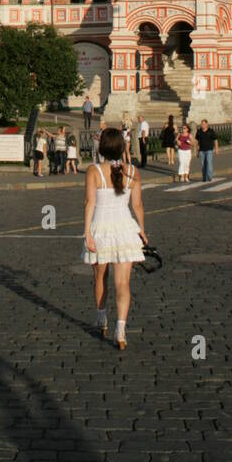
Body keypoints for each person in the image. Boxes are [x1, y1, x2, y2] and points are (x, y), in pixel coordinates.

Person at [82, 127, 147, 351]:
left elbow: (89, 203)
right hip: (125, 229)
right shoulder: (133, 171)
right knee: (123, 283)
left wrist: (87, 233)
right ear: (122, 147)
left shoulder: (94, 171)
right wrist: (142, 230)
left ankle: (102, 317)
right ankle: (121, 328)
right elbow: (137, 205)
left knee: (100, 276)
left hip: (101, 228)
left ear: (102, 148)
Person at [196, 118, 218, 182]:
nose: (202, 125)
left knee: (209, 163)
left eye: (203, 124)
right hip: (201, 150)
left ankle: (210, 176)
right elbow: (197, 141)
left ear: (207, 124)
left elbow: (215, 140)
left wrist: (216, 149)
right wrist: (197, 150)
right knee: (203, 165)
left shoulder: (210, 131)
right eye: (201, 124)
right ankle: (204, 177)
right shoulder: (199, 131)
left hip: (209, 150)